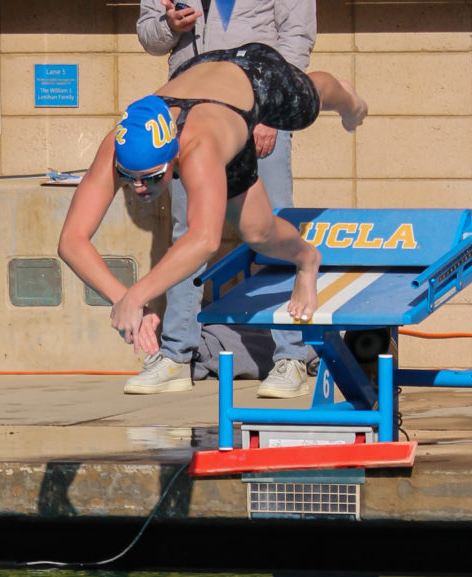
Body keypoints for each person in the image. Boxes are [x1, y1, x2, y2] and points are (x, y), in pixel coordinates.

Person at [56, 43, 367, 381]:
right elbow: (71, 241)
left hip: (252, 77)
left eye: (153, 178)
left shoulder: (198, 150)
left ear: (173, 155)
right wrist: (125, 300)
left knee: (307, 102)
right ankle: (308, 259)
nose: (140, 189)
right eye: (129, 180)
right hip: (204, 86)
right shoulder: (117, 147)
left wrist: (137, 294)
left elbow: (204, 240)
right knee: (258, 233)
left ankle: (348, 98)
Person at [132, 0, 317, 398]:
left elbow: (297, 36)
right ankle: (177, 354)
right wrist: (167, 24)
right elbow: (148, 35)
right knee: (188, 232)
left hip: (258, 108)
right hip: (188, 117)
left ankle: (292, 356)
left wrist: (272, 111)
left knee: (273, 226)